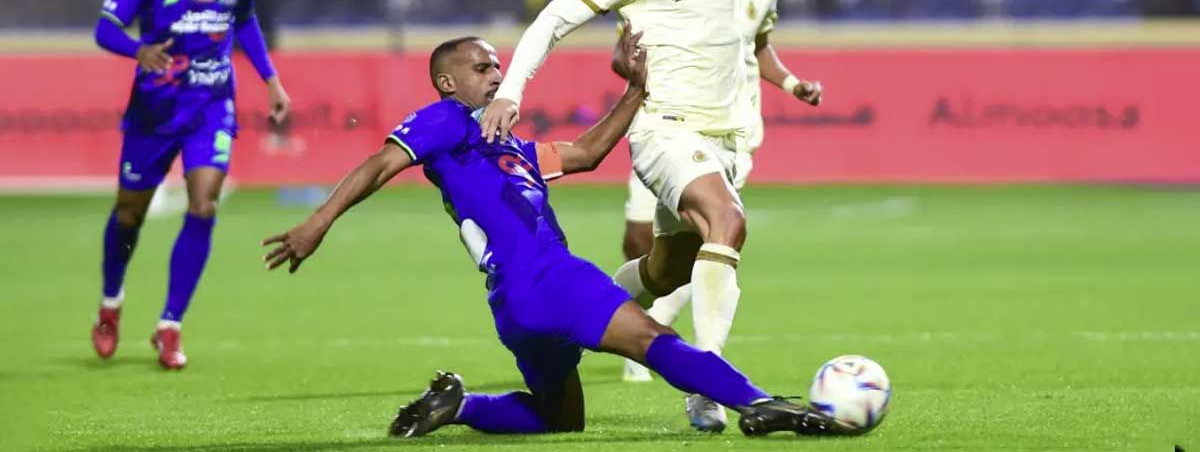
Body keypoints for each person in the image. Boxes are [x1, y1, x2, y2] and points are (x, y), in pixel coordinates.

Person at [260, 33, 851, 438]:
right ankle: (761, 403)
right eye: (482, 68)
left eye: (498, 67)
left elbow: (587, 153)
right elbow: (379, 165)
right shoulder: (446, 120)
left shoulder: (510, 148)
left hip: (514, 307)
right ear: (447, 80)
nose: (497, 75)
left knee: (560, 419)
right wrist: (319, 221)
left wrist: (635, 90)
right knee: (655, 340)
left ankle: (460, 405)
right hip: (551, 279)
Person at [478, 0, 870, 430]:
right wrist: (511, 91)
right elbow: (552, 21)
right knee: (728, 221)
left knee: (665, 272)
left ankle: (583, 313)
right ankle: (709, 382)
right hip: (665, 129)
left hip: (724, 137)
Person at [618, 0, 825, 389]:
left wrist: (793, 83)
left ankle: (677, 355)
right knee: (641, 242)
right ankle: (608, 319)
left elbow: (760, 49)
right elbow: (629, 45)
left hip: (729, 133)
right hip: (663, 125)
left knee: (712, 233)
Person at [90, 0, 291, 370]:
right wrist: (138, 51)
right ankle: (111, 302)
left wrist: (270, 79)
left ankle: (170, 325)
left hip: (212, 106)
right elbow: (104, 28)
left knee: (203, 204)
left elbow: (244, 22)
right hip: (155, 111)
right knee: (129, 214)